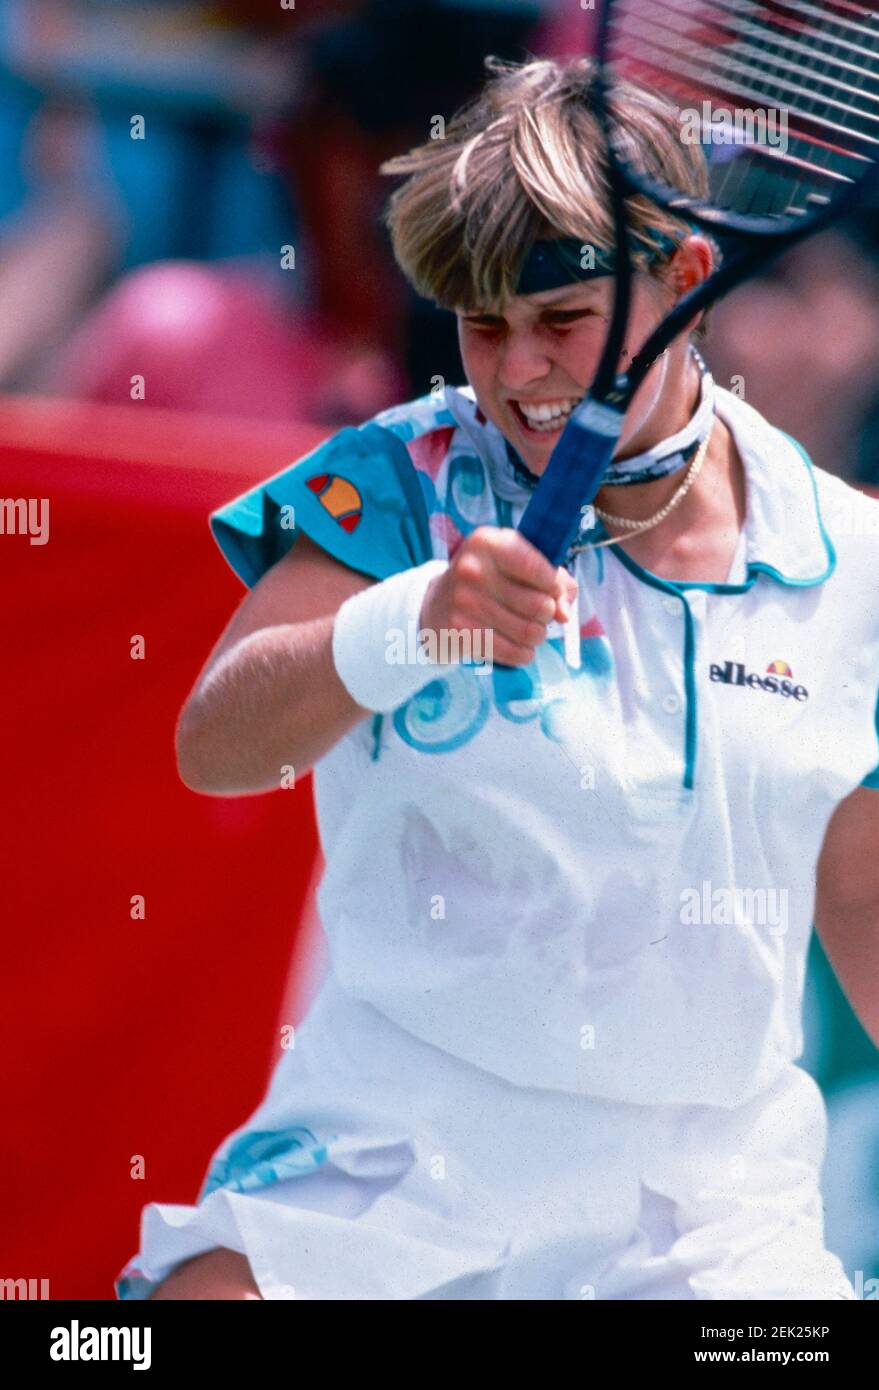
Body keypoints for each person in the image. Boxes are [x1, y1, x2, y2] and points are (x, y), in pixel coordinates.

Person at [116, 55, 879, 1301]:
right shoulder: (400, 475)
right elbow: (218, 741)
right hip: (385, 1174)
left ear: (686, 284)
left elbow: (860, 897)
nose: (518, 372)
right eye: (484, 326)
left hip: (707, 1230)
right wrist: (413, 618)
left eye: (562, 320)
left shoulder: (846, 557)